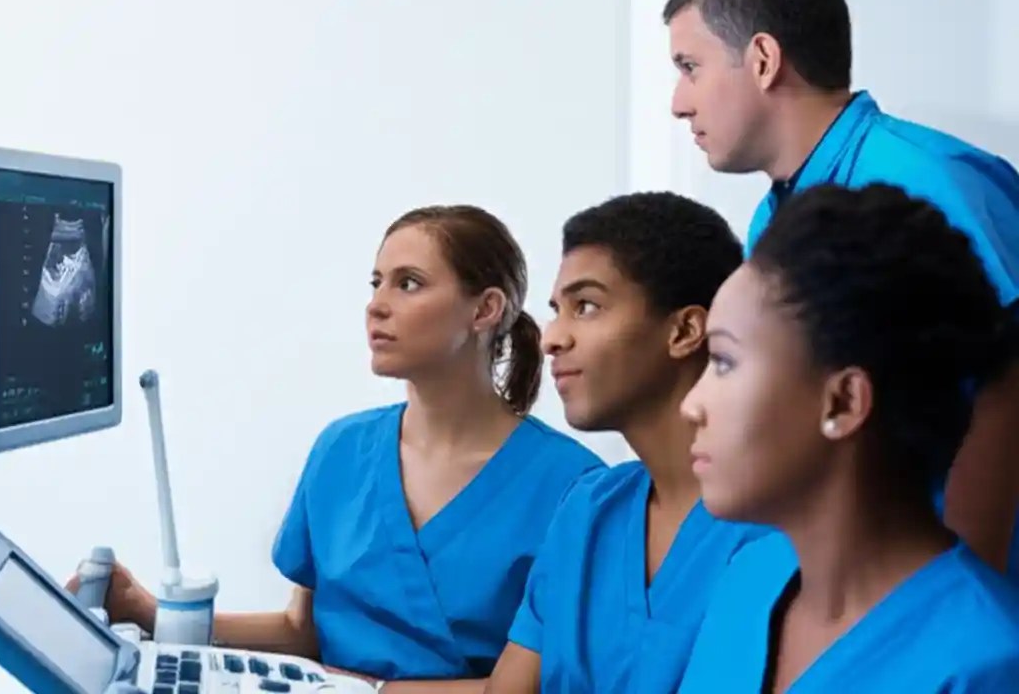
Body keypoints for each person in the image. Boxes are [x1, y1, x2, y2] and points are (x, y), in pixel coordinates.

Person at [70, 205, 604, 691]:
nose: (377, 306)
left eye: (409, 284)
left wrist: (366, 693)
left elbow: (543, 685)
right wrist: (146, 612)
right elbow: (301, 631)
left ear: (485, 309)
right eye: (376, 284)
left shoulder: (572, 488)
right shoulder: (342, 450)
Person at [678, 184, 1019, 692]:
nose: (691, 406)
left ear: (842, 403)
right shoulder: (746, 584)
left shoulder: (985, 664)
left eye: (724, 362)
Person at [484, 193, 764, 693]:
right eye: (557, 310)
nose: (552, 337)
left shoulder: (777, 529)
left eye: (586, 307)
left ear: (685, 330)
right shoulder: (588, 511)